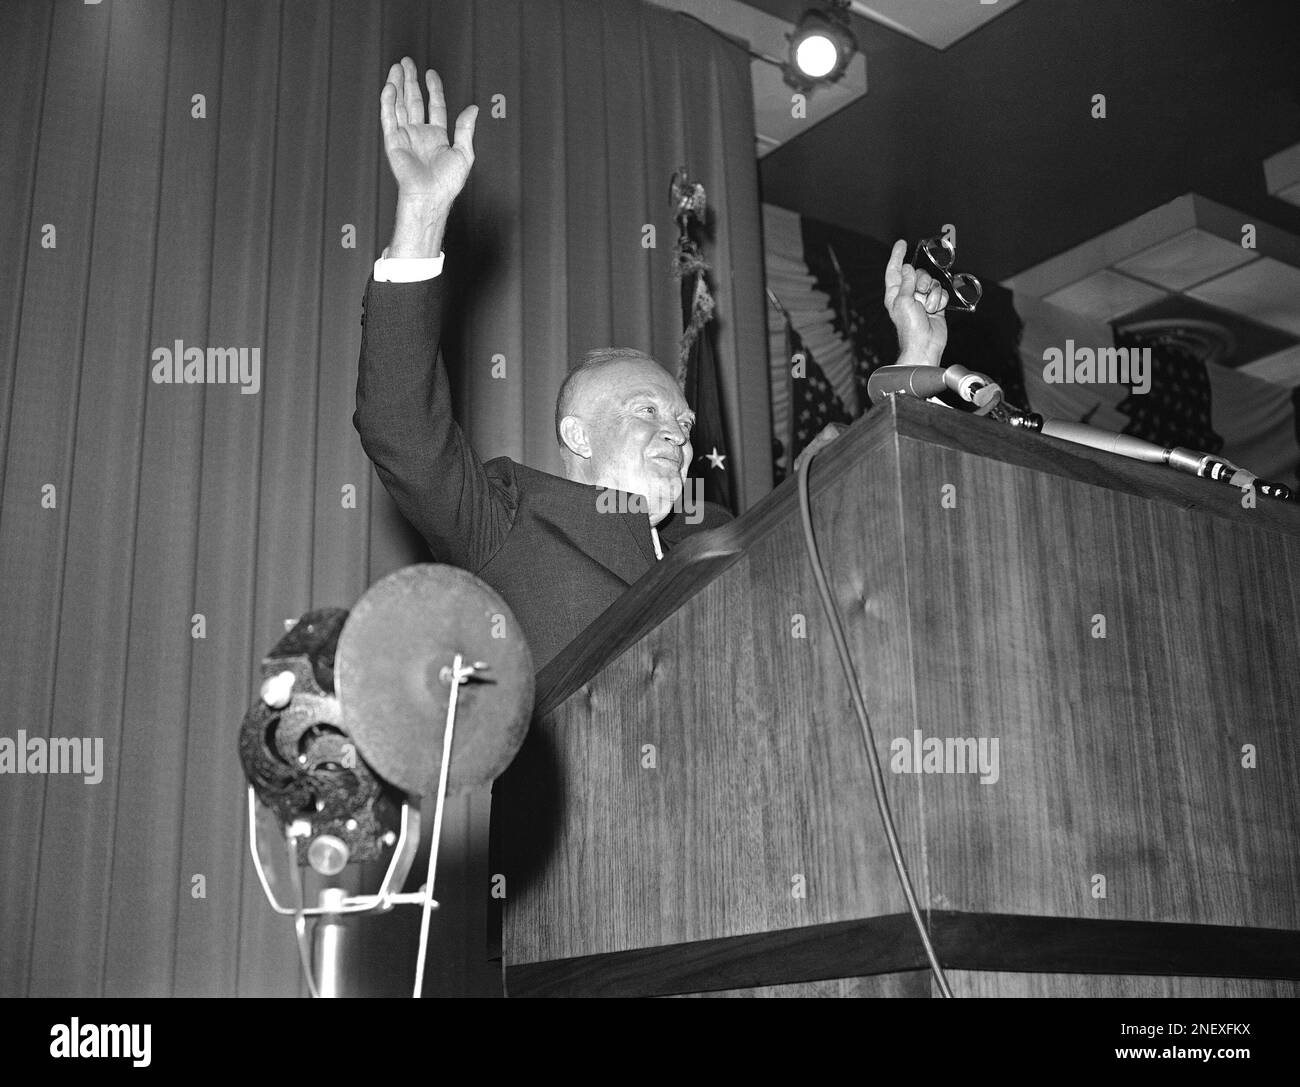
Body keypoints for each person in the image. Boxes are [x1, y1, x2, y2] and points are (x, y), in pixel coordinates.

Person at [353, 59, 950, 672]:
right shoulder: (510, 518)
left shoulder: (718, 537)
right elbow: (401, 428)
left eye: (686, 424)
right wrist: (423, 214)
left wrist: (918, 363)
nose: (678, 433)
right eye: (647, 411)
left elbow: (861, 566)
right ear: (576, 434)